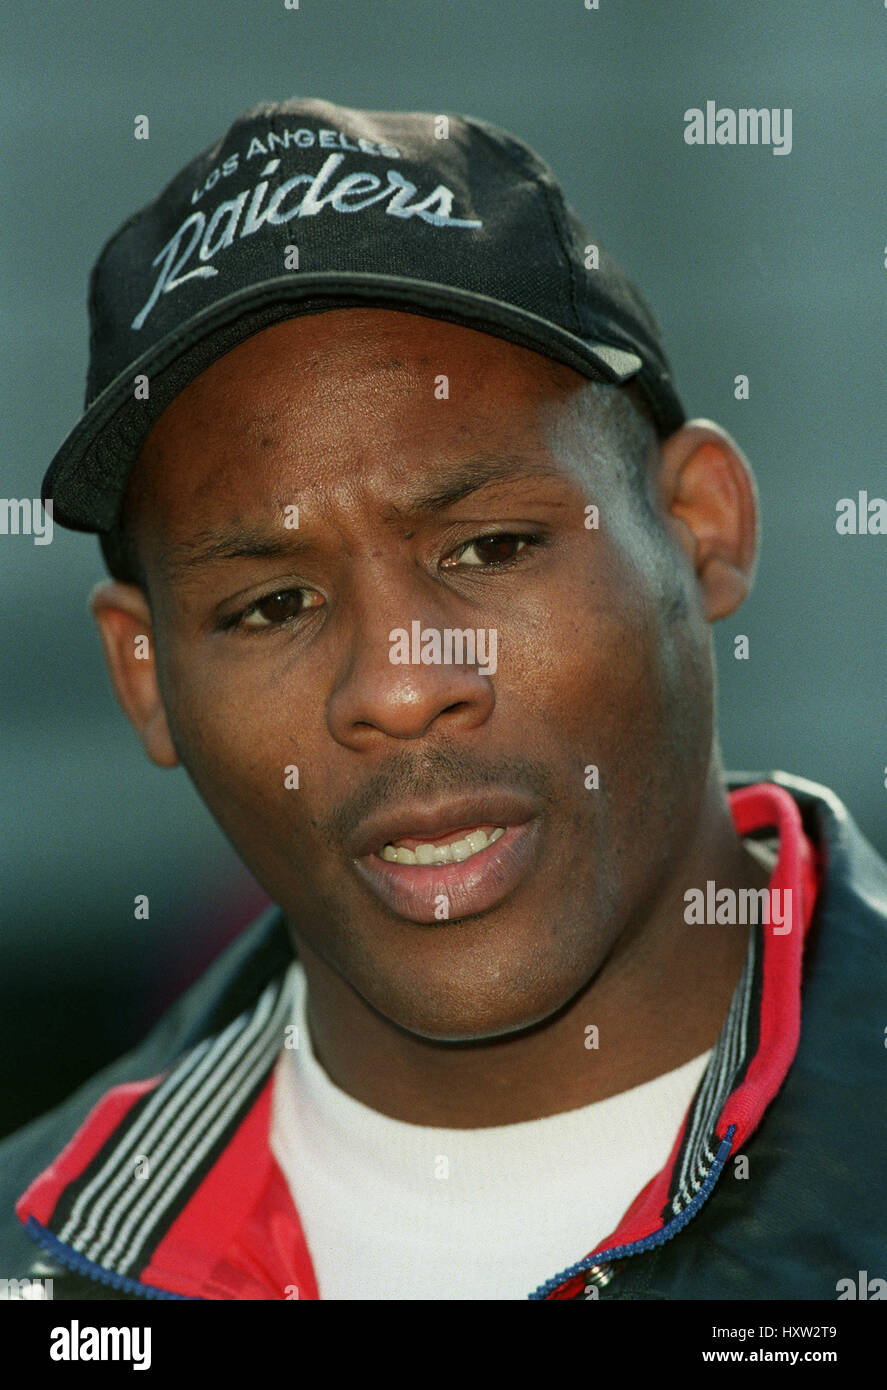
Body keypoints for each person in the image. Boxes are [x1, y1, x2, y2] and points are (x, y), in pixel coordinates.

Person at [1, 96, 884, 1302]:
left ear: (698, 531)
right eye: (269, 607)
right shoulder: (34, 1269)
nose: (399, 686)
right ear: (146, 676)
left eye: (492, 547)